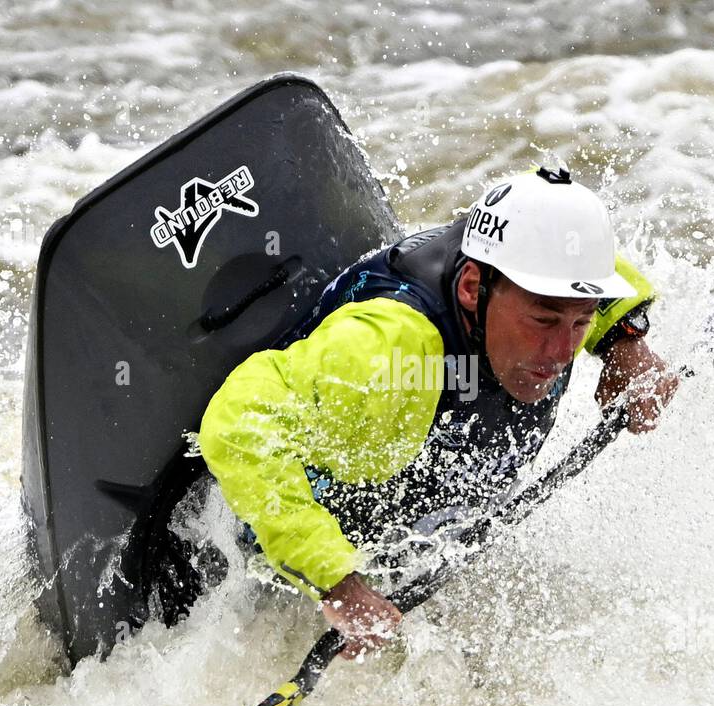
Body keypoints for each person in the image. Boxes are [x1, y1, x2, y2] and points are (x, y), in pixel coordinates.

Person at [198, 166, 679, 659]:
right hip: (270, 550)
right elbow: (238, 423)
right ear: (473, 288)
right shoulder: (386, 349)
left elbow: (582, 266)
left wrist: (627, 338)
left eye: (581, 320)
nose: (561, 351)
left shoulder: (533, 280)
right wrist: (335, 581)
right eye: (544, 320)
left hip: (419, 520)